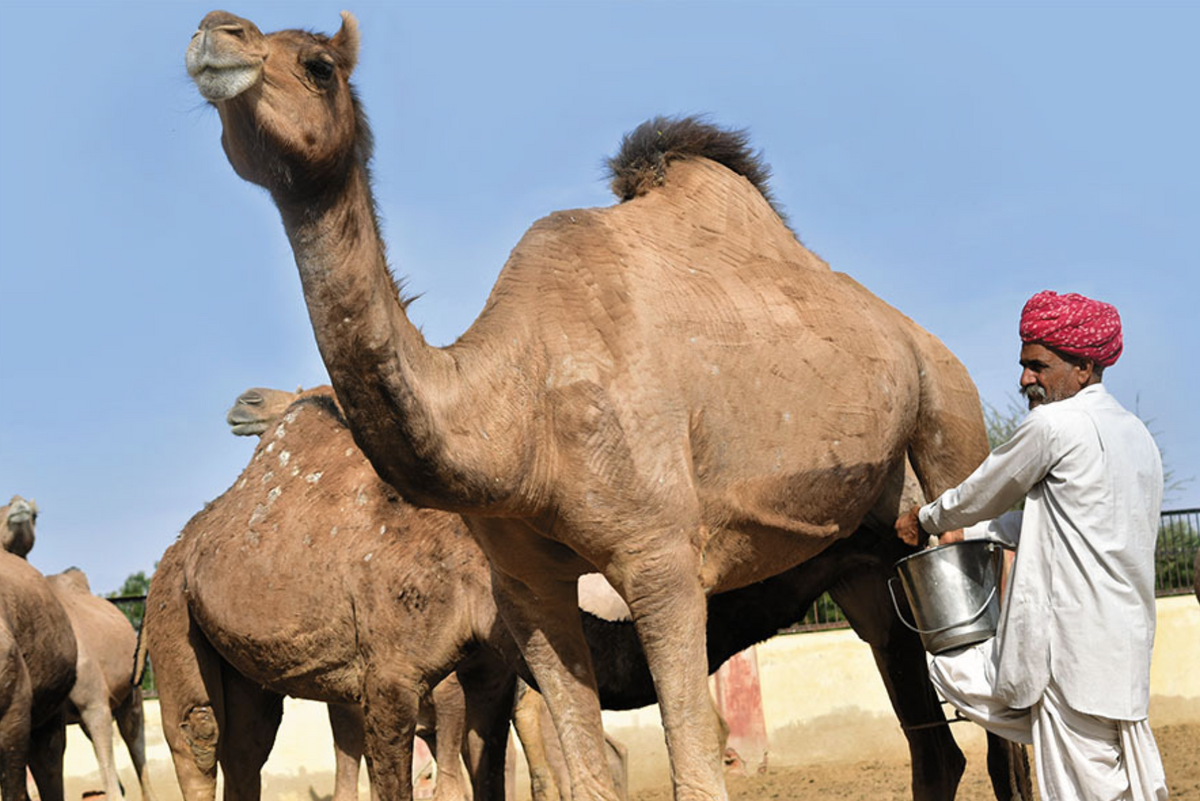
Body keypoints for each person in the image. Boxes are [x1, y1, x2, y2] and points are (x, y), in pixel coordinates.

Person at [895, 290, 1168, 800]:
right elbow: (1059, 523)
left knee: (1082, 791)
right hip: (1124, 653)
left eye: (1037, 366)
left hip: (1069, 654)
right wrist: (972, 534)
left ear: (1083, 367)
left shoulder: (1052, 426)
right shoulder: (1137, 437)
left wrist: (930, 518)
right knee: (1116, 782)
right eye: (1025, 367)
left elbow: (983, 490)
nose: (1025, 380)